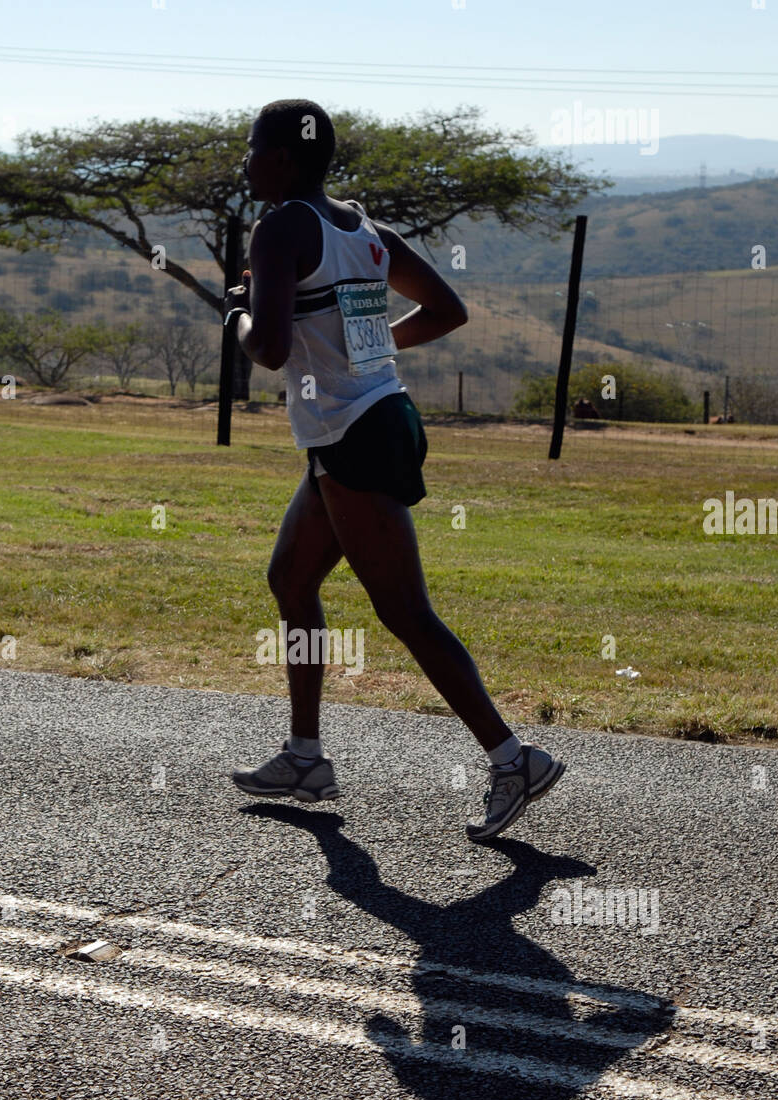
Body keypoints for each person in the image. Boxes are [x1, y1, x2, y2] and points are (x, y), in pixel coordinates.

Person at [225, 99, 565, 841]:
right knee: (290, 580)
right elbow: (446, 309)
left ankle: (514, 760)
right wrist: (369, 350)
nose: (245, 162)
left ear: (281, 159)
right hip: (371, 423)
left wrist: (239, 314)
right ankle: (306, 756)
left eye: (253, 149)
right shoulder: (365, 230)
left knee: (404, 611)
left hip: (354, 437)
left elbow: (271, 349)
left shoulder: (280, 226)